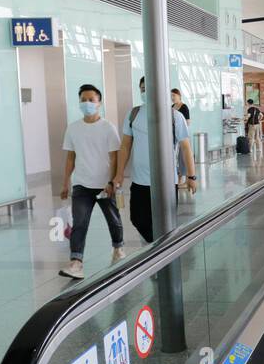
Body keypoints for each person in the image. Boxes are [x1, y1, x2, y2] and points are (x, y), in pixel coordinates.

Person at [113, 77, 198, 244]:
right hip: (139, 180)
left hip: (165, 182)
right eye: (143, 88)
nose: (146, 92)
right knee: (137, 218)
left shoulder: (175, 116)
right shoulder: (134, 114)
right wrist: (119, 173)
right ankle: (158, 247)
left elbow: (186, 148)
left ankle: (160, 252)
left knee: (166, 222)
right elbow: (125, 146)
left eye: (150, 88)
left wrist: (191, 177)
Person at [59, 84, 124, 279]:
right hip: (81, 184)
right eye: (83, 100)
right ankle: (76, 262)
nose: (87, 103)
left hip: (104, 185)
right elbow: (70, 158)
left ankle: (118, 249)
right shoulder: (73, 128)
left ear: (99, 103)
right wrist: (65, 183)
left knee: (113, 219)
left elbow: (114, 157)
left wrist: (112, 182)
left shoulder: (107, 127)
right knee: (80, 222)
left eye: (91, 100)